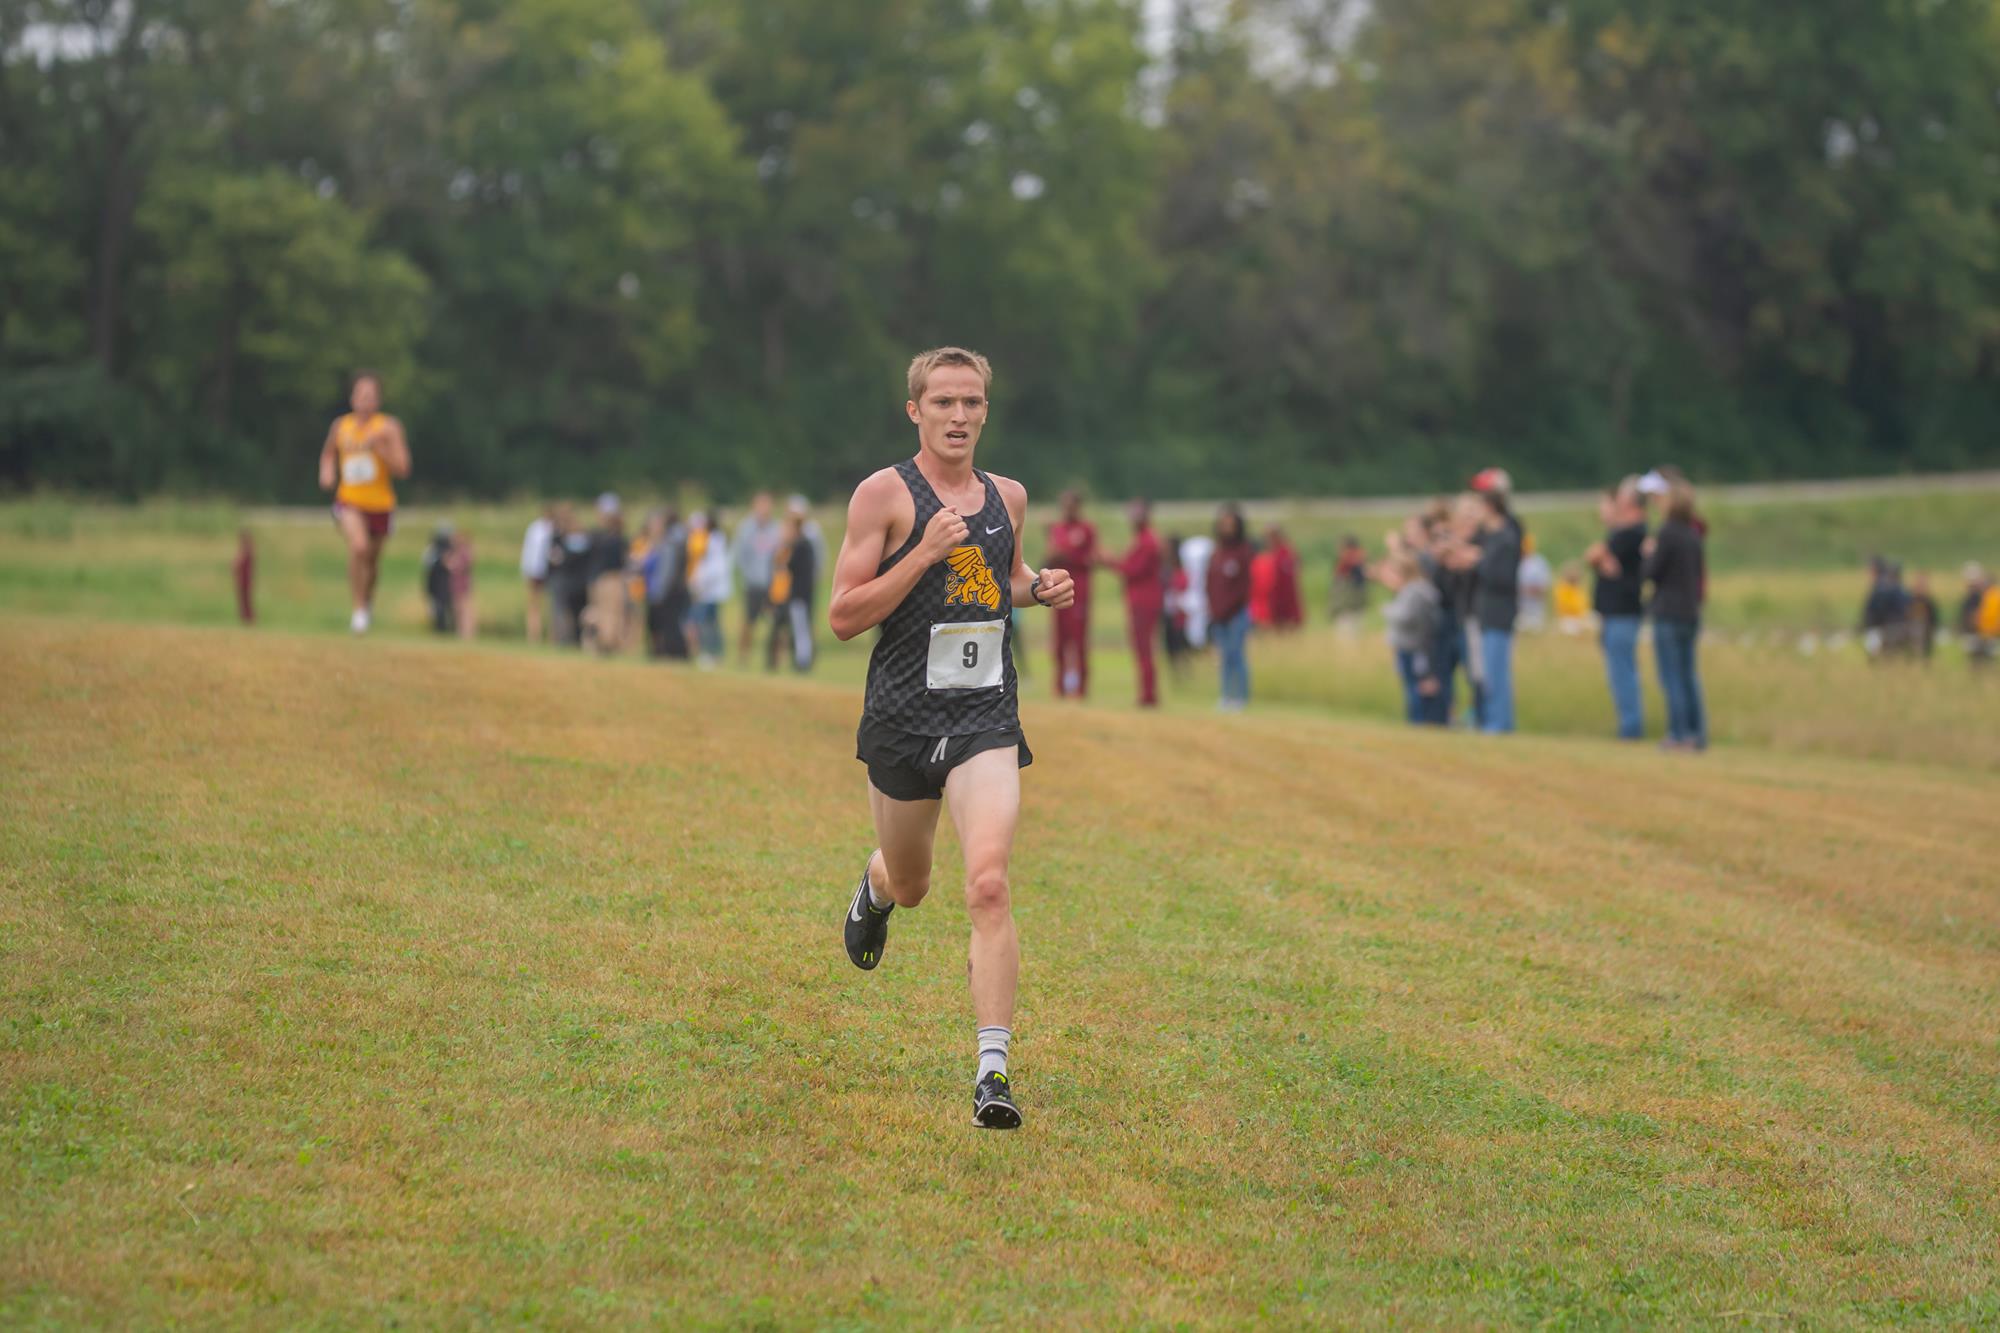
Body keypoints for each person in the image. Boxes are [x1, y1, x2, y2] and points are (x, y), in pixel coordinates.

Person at [827, 346, 1075, 1130]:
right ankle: (877, 885)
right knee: (913, 883)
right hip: (901, 720)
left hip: (984, 717)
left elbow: (998, 580)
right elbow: (843, 615)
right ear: (916, 411)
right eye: (943, 402)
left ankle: (992, 1073)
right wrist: (923, 552)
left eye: (972, 402)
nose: (959, 416)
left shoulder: (1009, 496)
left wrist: (1039, 587)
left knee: (989, 883)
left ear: (986, 411)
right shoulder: (883, 495)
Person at [317, 371, 411, 634]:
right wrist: (327, 473)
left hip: (381, 504)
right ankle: (358, 610)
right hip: (349, 500)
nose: (365, 401)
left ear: (378, 400)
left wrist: (380, 450)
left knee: (372, 562)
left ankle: (366, 602)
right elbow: (328, 454)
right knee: (359, 547)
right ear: (352, 398)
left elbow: (403, 468)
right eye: (361, 395)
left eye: (370, 396)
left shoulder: (388, 427)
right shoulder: (341, 426)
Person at [1644, 482, 1707, 751]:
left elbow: (1652, 572)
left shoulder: (1667, 533)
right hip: (1690, 612)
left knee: (1671, 676)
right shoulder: (1693, 534)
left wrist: (1649, 553)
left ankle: (1678, 733)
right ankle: (1697, 733)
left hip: (1668, 612)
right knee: (1689, 675)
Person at [1586, 479, 1648, 740]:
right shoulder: (1621, 533)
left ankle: (1631, 728)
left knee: (1623, 671)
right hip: (1614, 612)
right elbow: (1595, 557)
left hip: (1623, 612)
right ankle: (1628, 725)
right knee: (1619, 670)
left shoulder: (1632, 533)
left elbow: (1596, 555)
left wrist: (1603, 558)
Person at [1101, 499, 1165, 707]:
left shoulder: (1146, 541)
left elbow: (1132, 570)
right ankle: (1147, 692)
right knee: (1143, 647)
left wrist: (1109, 560)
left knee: (1143, 647)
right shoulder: (1145, 539)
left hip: (1144, 600)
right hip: (1143, 599)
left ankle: (1148, 695)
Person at [1379, 552, 1444, 725]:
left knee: (1417, 687)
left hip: (1415, 648)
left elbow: (1407, 617)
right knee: (1412, 686)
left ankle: (1419, 722)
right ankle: (1416, 721)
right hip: (1409, 647)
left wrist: (1387, 610)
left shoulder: (1416, 592)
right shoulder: (1410, 591)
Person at [1046, 491, 1097, 698]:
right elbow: (1050, 555)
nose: (1067, 510)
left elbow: (1091, 557)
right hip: (1058, 590)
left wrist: (1065, 554)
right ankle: (1060, 685)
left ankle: (1081, 687)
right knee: (1059, 639)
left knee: (1079, 640)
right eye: (1064, 505)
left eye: (1070, 505)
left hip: (1079, 592)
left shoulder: (1086, 529)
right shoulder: (1057, 529)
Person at [1208, 504, 1253, 711]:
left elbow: (1244, 587)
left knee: (1237, 655)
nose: (1226, 528)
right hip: (1218, 615)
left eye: (1230, 524)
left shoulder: (1243, 552)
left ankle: (1240, 697)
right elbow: (1210, 583)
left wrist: (1230, 609)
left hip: (1236, 614)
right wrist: (1214, 609)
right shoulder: (1217, 553)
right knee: (1224, 658)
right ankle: (1226, 695)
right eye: (1223, 524)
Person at [732, 492, 782, 667]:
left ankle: (774, 661)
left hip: (771, 584)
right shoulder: (746, 529)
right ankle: (743, 657)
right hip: (753, 584)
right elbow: (740, 556)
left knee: (776, 622)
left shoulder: (776, 529)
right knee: (748, 622)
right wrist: (747, 577)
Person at [768, 512, 817, 672]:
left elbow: (787, 565)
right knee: (800, 629)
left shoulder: (800, 546)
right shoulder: (805, 545)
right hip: (802, 594)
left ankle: (803, 662)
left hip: (799, 595)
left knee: (801, 630)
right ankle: (801, 660)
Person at [582, 493, 629, 656]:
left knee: (606, 613)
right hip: (608, 579)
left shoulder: (597, 536)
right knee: (607, 614)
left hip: (604, 579)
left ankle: (604, 643)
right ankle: (604, 643)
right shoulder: (615, 537)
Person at [687, 509, 732, 667]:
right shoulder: (714, 539)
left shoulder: (713, 541)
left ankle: (710, 653)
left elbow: (712, 567)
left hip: (709, 589)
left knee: (706, 623)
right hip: (710, 588)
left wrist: (699, 583)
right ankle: (714, 654)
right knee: (711, 623)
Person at [544, 504, 591, 648]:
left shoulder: (573, 537)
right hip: (569, 579)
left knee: (569, 611)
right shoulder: (560, 537)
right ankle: (566, 638)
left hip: (571, 579)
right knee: (565, 611)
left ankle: (570, 639)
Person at [519, 505, 555, 643]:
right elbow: (528, 550)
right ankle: (534, 635)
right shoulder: (535, 528)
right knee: (534, 604)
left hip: (548, 571)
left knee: (551, 605)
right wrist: (525, 569)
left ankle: (551, 635)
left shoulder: (554, 528)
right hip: (535, 570)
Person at [1162, 535, 1194, 680]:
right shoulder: (1164, 567)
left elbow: (1185, 585)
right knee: (1170, 644)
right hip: (1167, 612)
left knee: (1181, 643)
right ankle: (1176, 673)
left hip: (1179, 613)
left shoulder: (1180, 568)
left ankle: (1184, 671)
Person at [1961, 563, 1997, 669]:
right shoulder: (1979, 596)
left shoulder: (1990, 597)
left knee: (1983, 659)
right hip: (1980, 632)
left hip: (1986, 632)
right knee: (1978, 659)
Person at [1330, 535, 1368, 634]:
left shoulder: (1349, 558)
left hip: (1348, 598)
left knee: (1347, 625)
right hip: (1355, 597)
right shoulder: (1359, 556)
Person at [422, 524, 456, 634]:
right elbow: (429, 566)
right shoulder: (433, 549)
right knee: (438, 607)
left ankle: (448, 628)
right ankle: (441, 629)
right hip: (436, 583)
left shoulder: (448, 548)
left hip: (445, 584)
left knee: (448, 607)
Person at [1268, 527, 1303, 630]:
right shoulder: (1274, 552)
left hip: (1286, 593)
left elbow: (1296, 569)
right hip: (1276, 594)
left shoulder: (1286, 552)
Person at [1516, 535, 1552, 633]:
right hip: (1518, 612)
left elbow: (1544, 588)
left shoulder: (1539, 563)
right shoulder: (1513, 561)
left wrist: (1526, 590)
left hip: (1535, 613)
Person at [448, 531, 477, 640]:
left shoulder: (465, 552)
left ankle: (468, 633)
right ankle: (461, 632)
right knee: (458, 609)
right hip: (456, 584)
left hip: (464, 585)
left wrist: (451, 564)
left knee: (465, 609)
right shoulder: (457, 552)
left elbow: (460, 566)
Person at [1907, 571, 1941, 662]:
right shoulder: (1910, 601)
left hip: (1925, 634)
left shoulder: (1929, 602)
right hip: (1911, 634)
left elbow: (1934, 619)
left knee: (1925, 657)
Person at [1552, 561, 1590, 634]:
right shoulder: (1562, 588)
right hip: (1567, 618)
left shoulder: (1579, 588)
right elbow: (1565, 606)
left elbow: (1586, 604)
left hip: (1581, 617)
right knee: (1573, 629)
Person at [233, 529, 255, 625]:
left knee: (246, 601)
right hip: (243, 580)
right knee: (244, 601)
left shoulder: (247, 550)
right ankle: (246, 619)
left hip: (245, 580)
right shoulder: (247, 550)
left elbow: (239, 563)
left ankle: (248, 619)